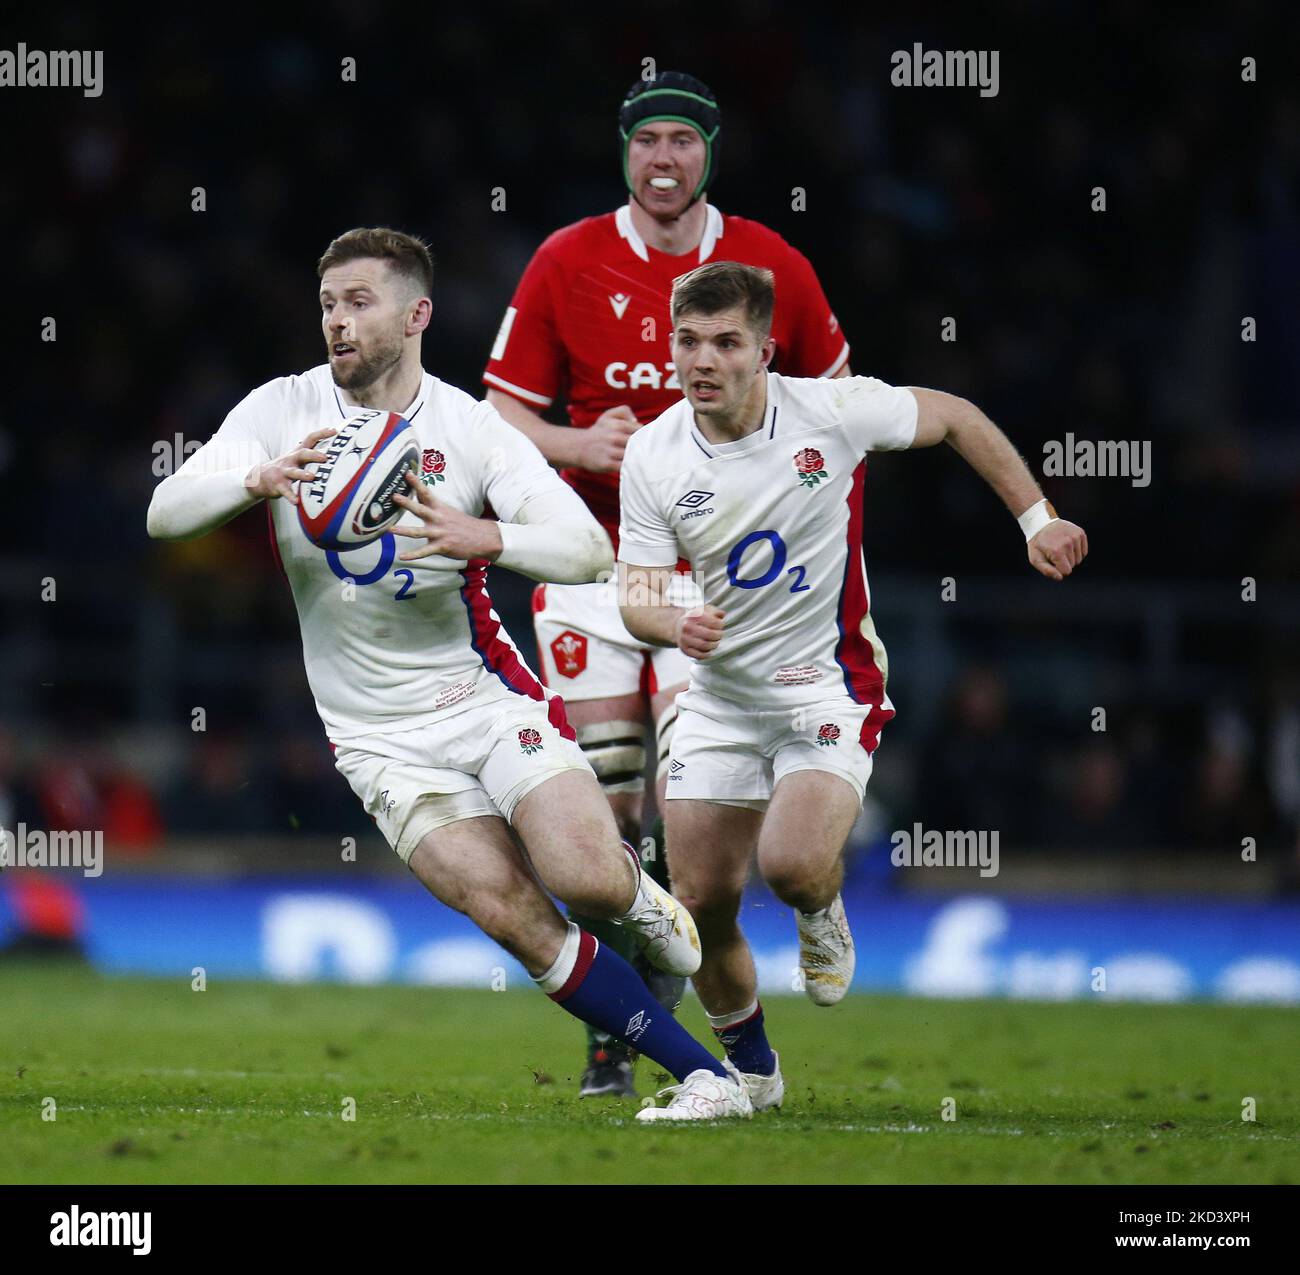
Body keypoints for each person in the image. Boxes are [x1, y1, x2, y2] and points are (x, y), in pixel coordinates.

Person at [147, 227, 754, 1123]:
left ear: (416, 314)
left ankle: (644, 910)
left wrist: (490, 537)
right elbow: (165, 512)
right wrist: (257, 478)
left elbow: (588, 548)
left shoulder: (469, 426)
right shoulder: (279, 411)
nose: (337, 322)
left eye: (359, 302)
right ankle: (706, 1077)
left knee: (585, 878)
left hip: (485, 698)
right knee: (513, 912)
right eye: (327, 304)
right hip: (377, 740)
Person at [617, 260, 1088, 1111]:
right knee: (701, 901)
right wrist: (671, 622)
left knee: (792, 865)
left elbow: (956, 417)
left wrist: (1038, 517)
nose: (703, 360)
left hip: (825, 689)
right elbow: (636, 592)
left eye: (727, 342)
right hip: (717, 700)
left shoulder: (831, 413)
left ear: (765, 350)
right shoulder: (652, 454)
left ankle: (820, 903)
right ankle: (752, 1074)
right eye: (688, 340)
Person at [484, 70, 853, 1097]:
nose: (663, 159)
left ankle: (719, 1032)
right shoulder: (566, 259)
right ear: (624, 154)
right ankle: (626, 1027)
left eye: (682, 142)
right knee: (601, 823)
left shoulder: (773, 263)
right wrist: (569, 438)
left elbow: (836, 410)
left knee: (697, 843)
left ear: (709, 154)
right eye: (646, 140)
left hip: (718, 588)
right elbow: (497, 410)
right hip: (592, 571)